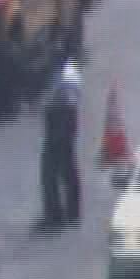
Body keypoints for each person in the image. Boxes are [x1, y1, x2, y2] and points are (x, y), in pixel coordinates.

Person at [39, 57, 83, 227]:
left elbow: (64, 98)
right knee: (67, 167)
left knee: (50, 169)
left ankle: (55, 214)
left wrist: (60, 129)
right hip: (62, 117)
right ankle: (71, 212)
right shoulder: (69, 72)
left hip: (61, 117)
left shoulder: (65, 75)